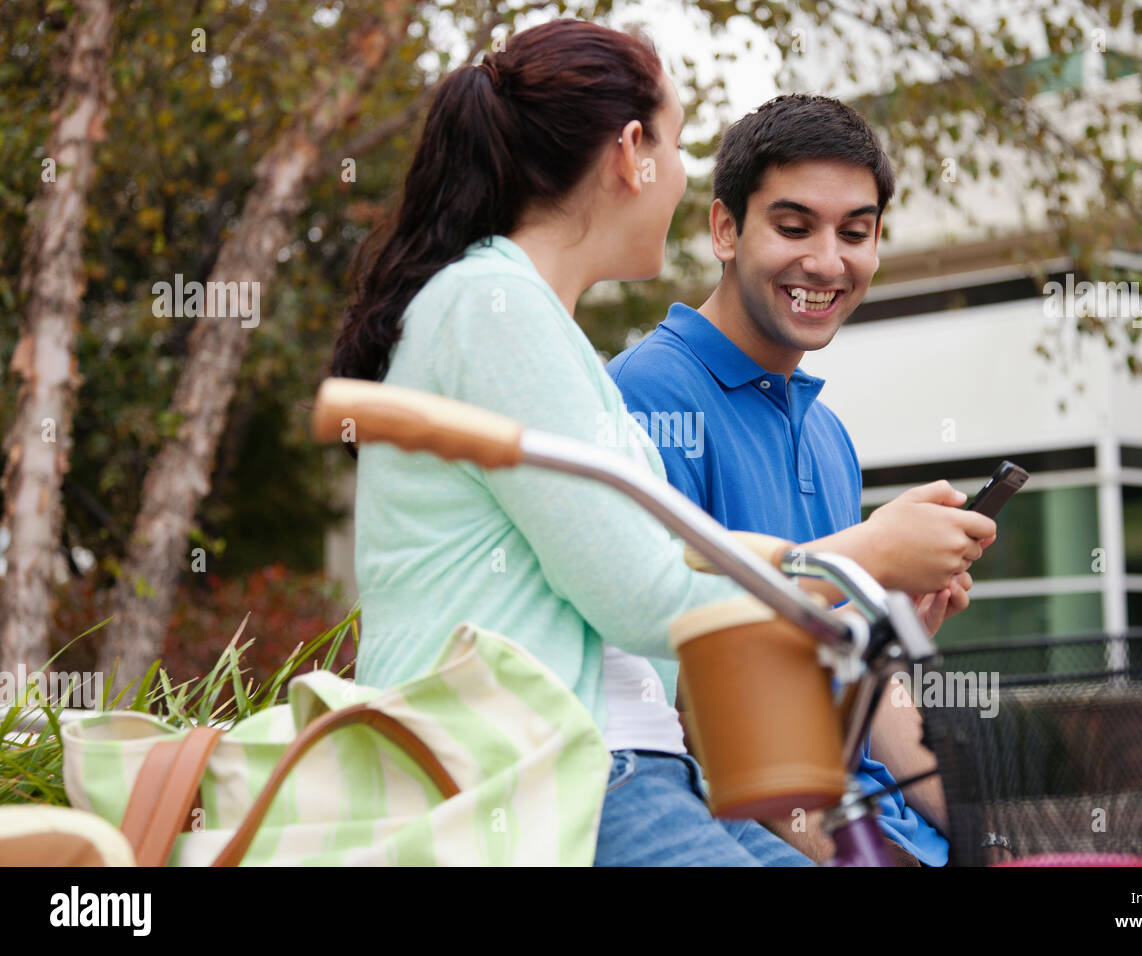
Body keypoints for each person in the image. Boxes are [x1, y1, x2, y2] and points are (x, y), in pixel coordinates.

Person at [330, 20, 814, 867]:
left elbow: (662, 560)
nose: (683, 178)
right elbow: (642, 595)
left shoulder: (536, 325)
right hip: (552, 774)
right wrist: (860, 569)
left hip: (633, 764)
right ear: (632, 152)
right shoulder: (493, 306)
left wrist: (813, 571)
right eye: (677, 143)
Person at [607, 94, 998, 866]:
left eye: (855, 232)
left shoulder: (827, 435)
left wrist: (995, 838)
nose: (826, 262)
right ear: (725, 229)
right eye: (793, 227)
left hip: (874, 822)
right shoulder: (648, 395)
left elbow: (863, 692)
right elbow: (684, 705)